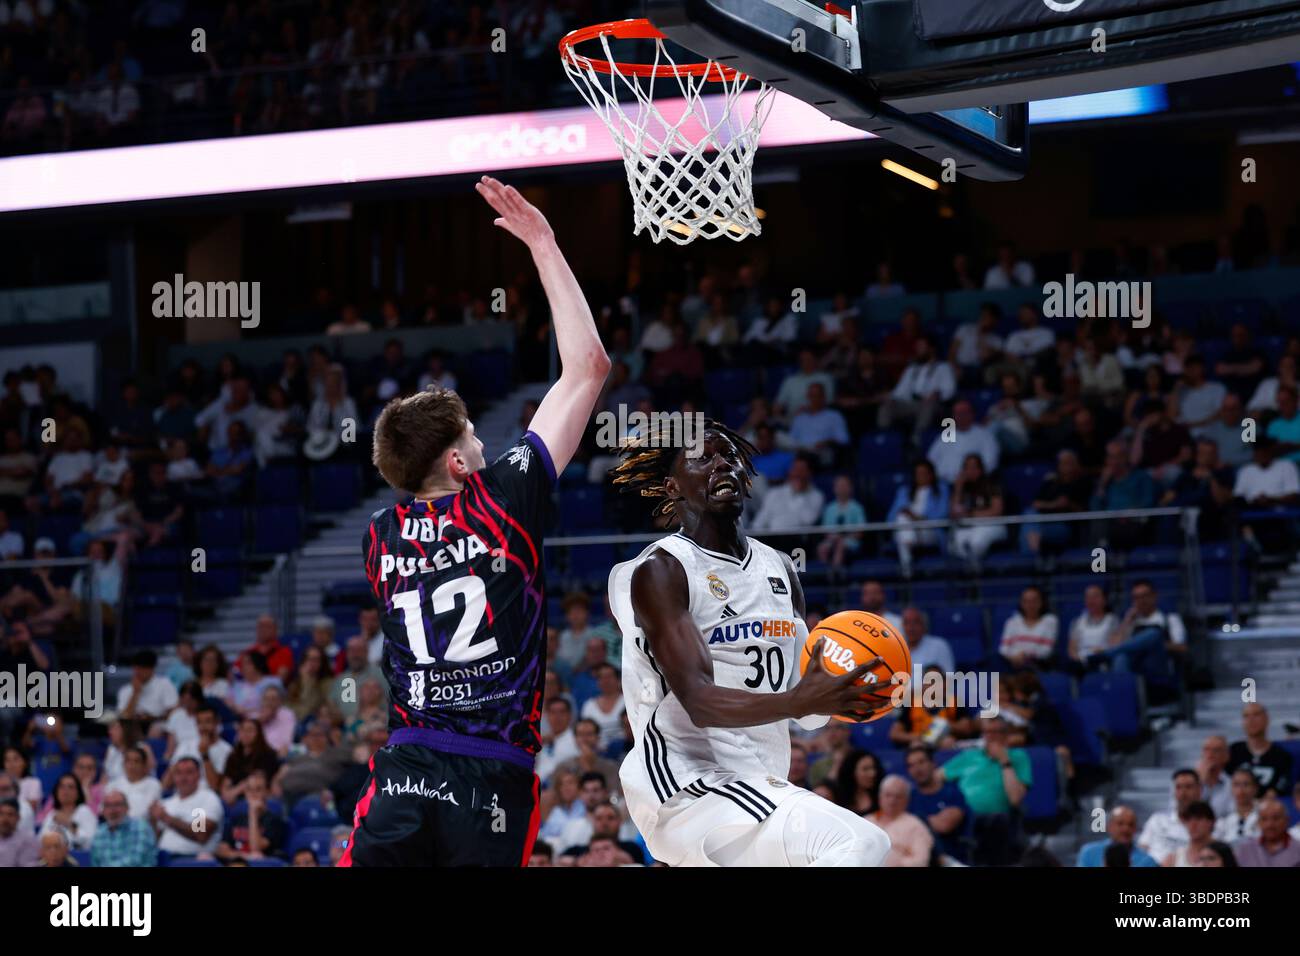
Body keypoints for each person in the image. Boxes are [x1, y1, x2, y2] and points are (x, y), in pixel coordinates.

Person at [342, 178, 609, 868]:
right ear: (460, 463)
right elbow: (588, 368)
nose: (490, 447)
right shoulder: (504, 495)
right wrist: (543, 244)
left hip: (404, 770)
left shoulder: (379, 536)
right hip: (491, 776)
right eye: (475, 440)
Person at [606, 420, 894, 866]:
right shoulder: (663, 570)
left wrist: (839, 691)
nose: (723, 462)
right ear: (673, 486)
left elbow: (811, 713)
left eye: (731, 456)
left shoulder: (778, 568)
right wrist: (799, 701)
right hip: (688, 783)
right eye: (703, 457)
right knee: (859, 842)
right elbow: (700, 702)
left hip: (758, 781)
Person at [936, 718, 1032, 865]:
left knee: (995, 823)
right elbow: (936, 777)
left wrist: (1004, 761)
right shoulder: (969, 756)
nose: (991, 736)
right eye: (987, 732)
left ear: (1006, 735)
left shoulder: (1018, 757)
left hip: (998, 821)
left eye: (996, 732)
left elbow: (1015, 798)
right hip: (963, 817)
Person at [1093, 578, 1187, 677]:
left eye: (1144, 596)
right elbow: (1115, 645)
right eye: (1136, 598)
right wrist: (1127, 620)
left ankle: (1105, 655)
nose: (1141, 601)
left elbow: (1182, 648)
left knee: (1153, 634)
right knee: (1121, 657)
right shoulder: (1132, 623)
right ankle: (1123, 690)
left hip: (1159, 666)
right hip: (1135, 667)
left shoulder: (1169, 619)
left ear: (1154, 596)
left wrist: (1153, 644)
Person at [877, 337, 955, 445]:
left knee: (928, 406)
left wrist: (938, 393)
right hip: (911, 404)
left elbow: (950, 390)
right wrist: (891, 398)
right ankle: (886, 439)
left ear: (931, 349)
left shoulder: (943, 367)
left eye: (921, 347)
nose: (917, 350)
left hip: (934, 405)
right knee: (887, 406)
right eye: (917, 347)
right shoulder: (912, 368)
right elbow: (900, 391)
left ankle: (916, 441)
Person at [904, 744, 969, 863]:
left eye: (921, 762)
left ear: (933, 763)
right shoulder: (908, 798)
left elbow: (945, 825)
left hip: (952, 858)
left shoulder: (952, 792)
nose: (917, 769)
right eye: (911, 765)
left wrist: (915, 822)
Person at [150, 756, 223, 858]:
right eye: (178, 773)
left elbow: (200, 834)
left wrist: (167, 818)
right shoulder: (168, 802)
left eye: (189, 772)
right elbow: (155, 838)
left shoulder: (208, 799)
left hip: (193, 859)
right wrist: (153, 819)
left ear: (199, 775)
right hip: (164, 858)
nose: (183, 778)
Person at [887, 460, 950, 575]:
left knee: (903, 528)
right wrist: (908, 517)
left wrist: (917, 519)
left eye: (924, 473)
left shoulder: (941, 490)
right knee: (902, 518)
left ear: (931, 475)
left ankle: (907, 570)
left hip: (930, 530)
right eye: (918, 474)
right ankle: (908, 557)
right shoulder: (904, 491)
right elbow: (890, 519)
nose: (921, 476)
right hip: (907, 529)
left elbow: (942, 514)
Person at [949, 453, 1006, 563]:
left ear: (981, 469)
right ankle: (968, 572)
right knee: (956, 542)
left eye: (974, 467)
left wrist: (971, 514)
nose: (970, 471)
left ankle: (976, 574)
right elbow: (953, 513)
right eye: (967, 468)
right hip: (969, 526)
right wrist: (958, 488)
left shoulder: (992, 485)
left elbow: (997, 511)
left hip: (992, 525)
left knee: (976, 540)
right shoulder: (961, 489)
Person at [1228, 703, 1294, 796]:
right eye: (1246, 716)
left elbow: (1281, 788)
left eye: (1256, 715)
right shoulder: (1233, 752)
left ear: (1267, 719)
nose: (1251, 720)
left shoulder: (1281, 756)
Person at [1137, 768, 1201, 861]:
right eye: (1178, 787)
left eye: (1188, 787)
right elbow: (1142, 849)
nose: (1183, 793)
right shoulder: (1157, 820)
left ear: (1199, 790)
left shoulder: (1206, 825)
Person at [868, 775, 933, 867]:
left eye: (898, 797)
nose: (892, 801)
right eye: (888, 795)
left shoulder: (916, 826)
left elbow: (921, 861)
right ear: (880, 797)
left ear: (907, 800)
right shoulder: (865, 821)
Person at [90, 788, 157, 867]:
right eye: (108, 805)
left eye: (117, 804)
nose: (113, 810)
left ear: (127, 808)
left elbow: (135, 861)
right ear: (103, 811)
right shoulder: (99, 833)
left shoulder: (140, 827)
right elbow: (95, 863)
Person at [998, 586, 1060, 671]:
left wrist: (1025, 656)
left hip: (1038, 666)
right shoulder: (1012, 621)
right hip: (1012, 664)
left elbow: (1046, 651)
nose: (1030, 605)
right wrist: (1014, 657)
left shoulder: (1050, 621)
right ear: (1021, 603)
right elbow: (1003, 648)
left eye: (1034, 601)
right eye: (1026, 601)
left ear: (1041, 602)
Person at [1076, 805, 1159, 867]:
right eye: (1120, 824)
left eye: (1130, 825)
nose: (1125, 829)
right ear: (1109, 827)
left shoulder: (1147, 862)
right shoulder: (1089, 853)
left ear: (1135, 829)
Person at [37, 773, 97, 850]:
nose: (65, 790)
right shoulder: (52, 814)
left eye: (70, 787)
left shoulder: (84, 811)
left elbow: (91, 842)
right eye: (62, 786)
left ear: (78, 793)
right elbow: (40, 840)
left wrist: (69, 824)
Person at [1233, 798, 1300, 867]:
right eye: (1264, 819)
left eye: (1276, 818)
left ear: (1287, 820)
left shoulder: (1298, 850)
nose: (1270, 824)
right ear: (1258, 822)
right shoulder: (1244, 850)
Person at [1067, 584, 1118, 666]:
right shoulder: (1077, 622)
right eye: (1088, 597)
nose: (1091, 601)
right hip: (1081, 662)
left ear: (1104, 600)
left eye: (1095, 597)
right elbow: (1072, 649)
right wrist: (1078, 658)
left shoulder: (1112, 621)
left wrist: (1101, 651)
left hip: (1103, 659)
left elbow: (1115, 645)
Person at [1213, 768, 1261, 843]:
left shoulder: (1265, 814)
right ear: (1231, 789)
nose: (1241, 790)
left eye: (1246, 784)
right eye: (1236, 785)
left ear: (1255, 788)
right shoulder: (1224, 817)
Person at [1162, 800, 1215, 866]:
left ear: (1211, 822)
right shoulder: (1173, 859)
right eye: (1188, 819)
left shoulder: (1225, 854)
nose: (1193, 824)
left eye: (1198, 818)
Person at [0, 797, 39, 867]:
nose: (5, 819)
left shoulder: (28, 841)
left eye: (10, 814)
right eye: (1, 814)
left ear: (18, 818)